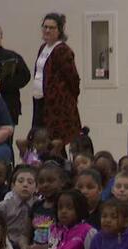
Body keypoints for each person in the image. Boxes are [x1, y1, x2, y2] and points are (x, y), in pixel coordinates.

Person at [32, 13, 81, 148]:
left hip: (56, 105)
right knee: (38, 137)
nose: (47, 30)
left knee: (55, 141)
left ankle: (58, 166)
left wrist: (69, 98)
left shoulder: (62, 50)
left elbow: (73, 78)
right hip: (39, 100)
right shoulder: (43, 48)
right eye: (45, 27)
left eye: (52, 28)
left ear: (59, 30)